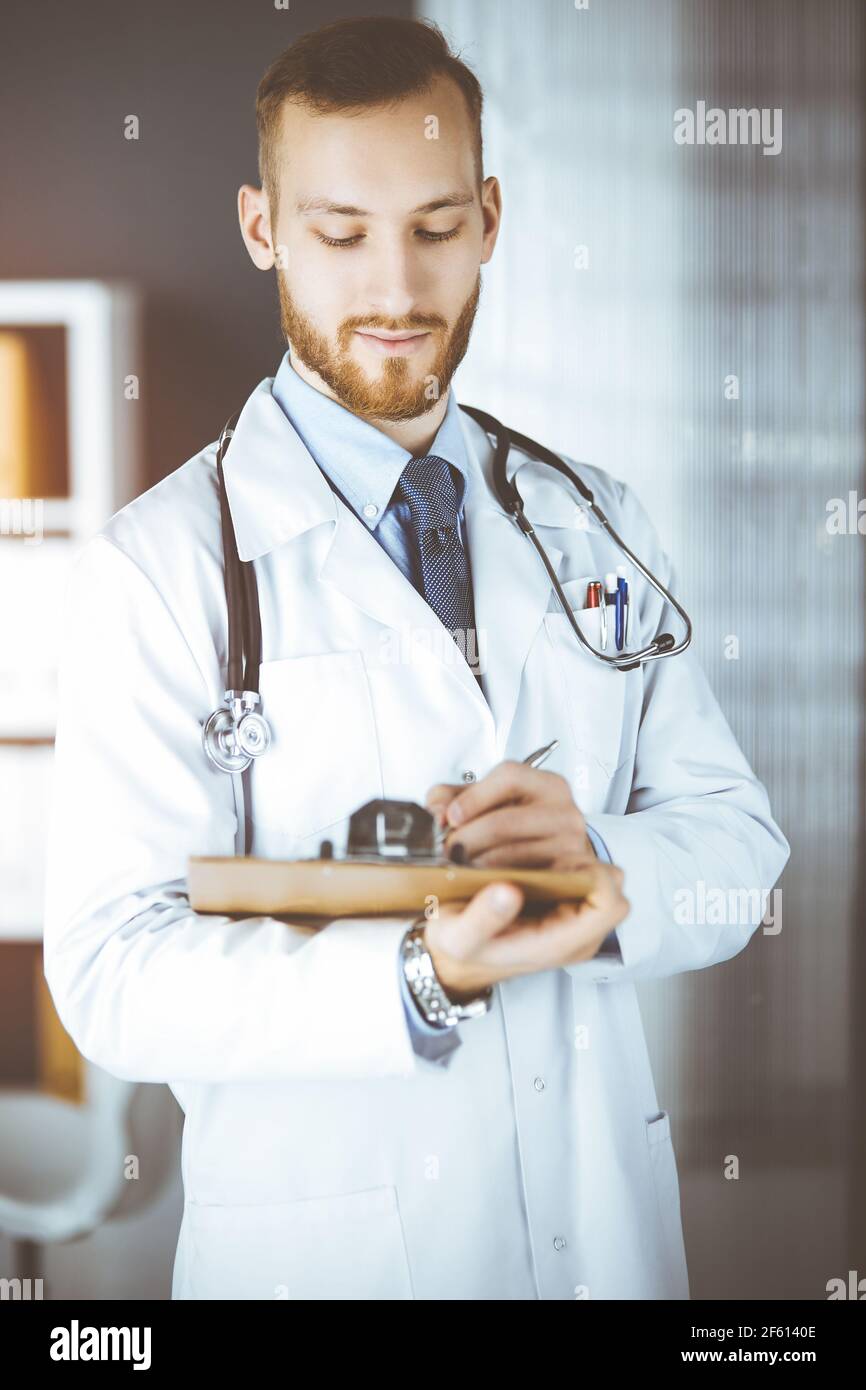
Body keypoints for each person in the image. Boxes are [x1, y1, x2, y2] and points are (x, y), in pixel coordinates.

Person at [44, 16, 789, 1300]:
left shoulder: (589, 515)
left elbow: (736, 844)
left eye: (435, 228)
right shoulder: (156, 567)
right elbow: (113, 973)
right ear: (261, 227)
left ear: (490, 216)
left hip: (598, 1243)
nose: (394, 289)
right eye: (339, 233)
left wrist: (596, 860)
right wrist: (415, 974)